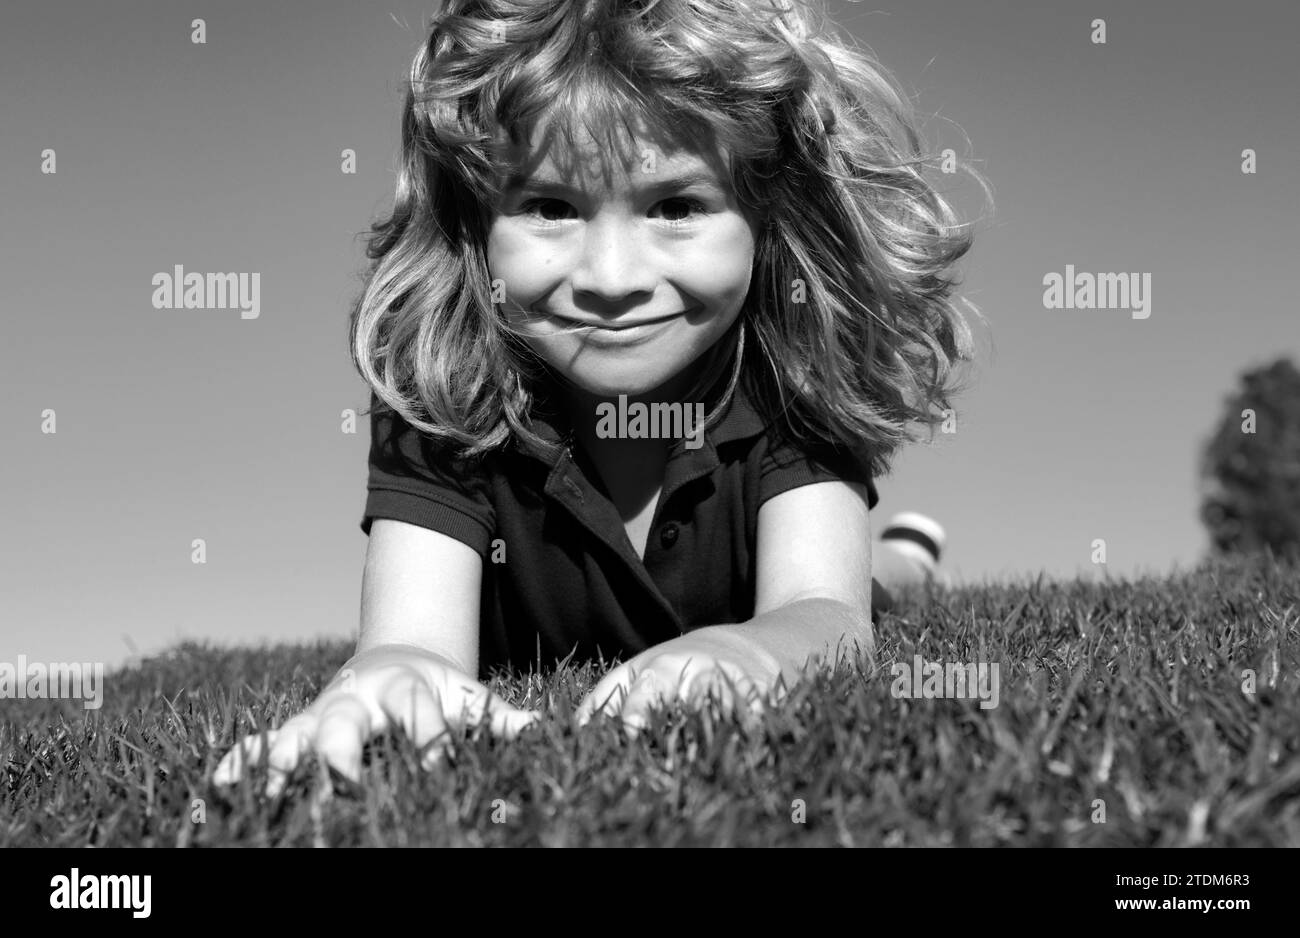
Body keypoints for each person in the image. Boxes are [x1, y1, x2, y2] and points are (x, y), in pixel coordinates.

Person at [215, 0, 981, 794]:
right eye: (551, 207)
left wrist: (750, 651)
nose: (611, 280)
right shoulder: (444, 389)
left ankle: (909, 552)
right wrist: (393, 674)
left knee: (882, 586)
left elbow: (824, 612)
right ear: (476, 221)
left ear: (768, 214)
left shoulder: (791, 369)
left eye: (677, 206)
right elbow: (410, 642)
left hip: (829, 579)